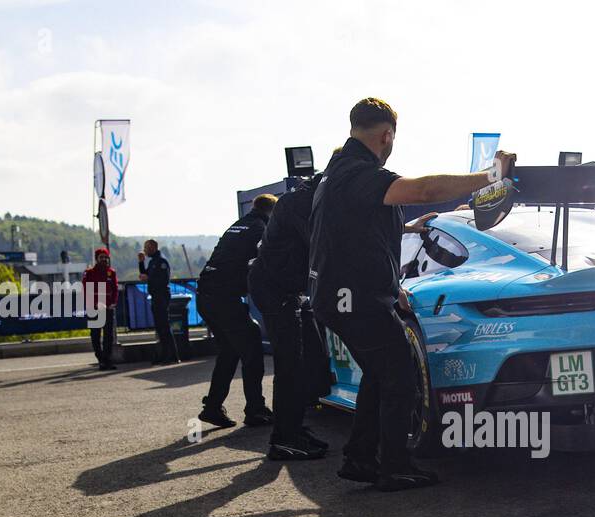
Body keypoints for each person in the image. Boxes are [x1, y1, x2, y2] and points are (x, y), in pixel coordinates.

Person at [308, 97, 515, 491]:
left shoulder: (334, 175)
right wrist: (488, 177)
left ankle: (361, 457)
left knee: (381, 371)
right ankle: (395, 466)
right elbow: (423, 189)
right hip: (354, 297)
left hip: (340, 295)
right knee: (400, 372)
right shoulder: (359, 173)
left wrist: (402, 237)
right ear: (387, 135)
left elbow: (350, 231)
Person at [248, 171, 331, 461]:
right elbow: (321, 245)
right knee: (289, 366)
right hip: (275, 290)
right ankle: (284, 439)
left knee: (300, 361)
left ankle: (291, 429)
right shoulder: (300, 204)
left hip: (280, 288)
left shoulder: (308, 197)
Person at [196, 195, 277, 428]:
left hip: (206, 296)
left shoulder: (237, 226)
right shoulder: (260, 229)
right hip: (224, 298)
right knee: (252, 346)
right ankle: (255, 409)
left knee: (230, 351)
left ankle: (212, 407)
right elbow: (265, 264)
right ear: (271, 213)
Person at [138, 239, 179, 365]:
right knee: (160, 328)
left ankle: (172, 355)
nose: (145, 250)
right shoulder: (152, 262)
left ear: (154, 248)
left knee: (164, 327)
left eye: (147, 248)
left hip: (161, 296)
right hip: (156, 296)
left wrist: (148, 278)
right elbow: (145, 275)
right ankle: (164, 354)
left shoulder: (161, 262)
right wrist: (141, 263)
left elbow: (162, 280)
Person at [81, 247, 118, 370]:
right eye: (101, 257)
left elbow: (115, 289)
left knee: (109, 335)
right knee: (95, 335)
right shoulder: (89, 272)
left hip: (108, 308)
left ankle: (108, 360)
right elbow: (86, 289)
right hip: (94, 308)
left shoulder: (111, 272)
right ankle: (100, 359)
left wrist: (113, 302)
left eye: (105, 257)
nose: (104, 259)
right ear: (97, 259)